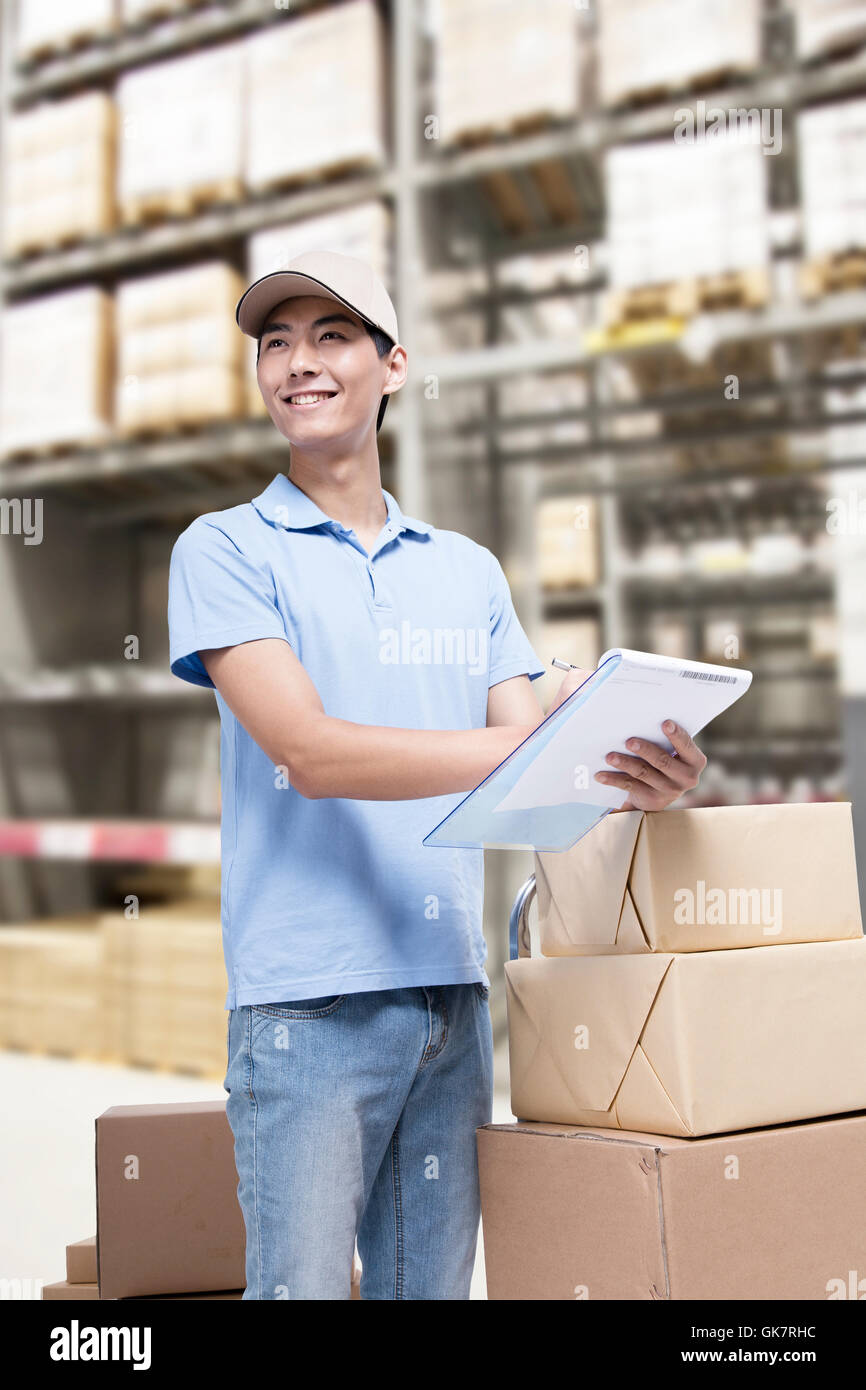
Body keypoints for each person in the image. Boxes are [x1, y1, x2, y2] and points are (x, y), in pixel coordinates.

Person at [167, 250, 707, 1300]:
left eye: (331, 336)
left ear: (394, 365)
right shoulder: (225, 549)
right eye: (275, 343)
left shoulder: (465, 570)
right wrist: (529, 744)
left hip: (449, 1001)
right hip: (307, 1009)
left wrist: (635, 760)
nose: (297, 362)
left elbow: (535, 758)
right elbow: (310, 753)